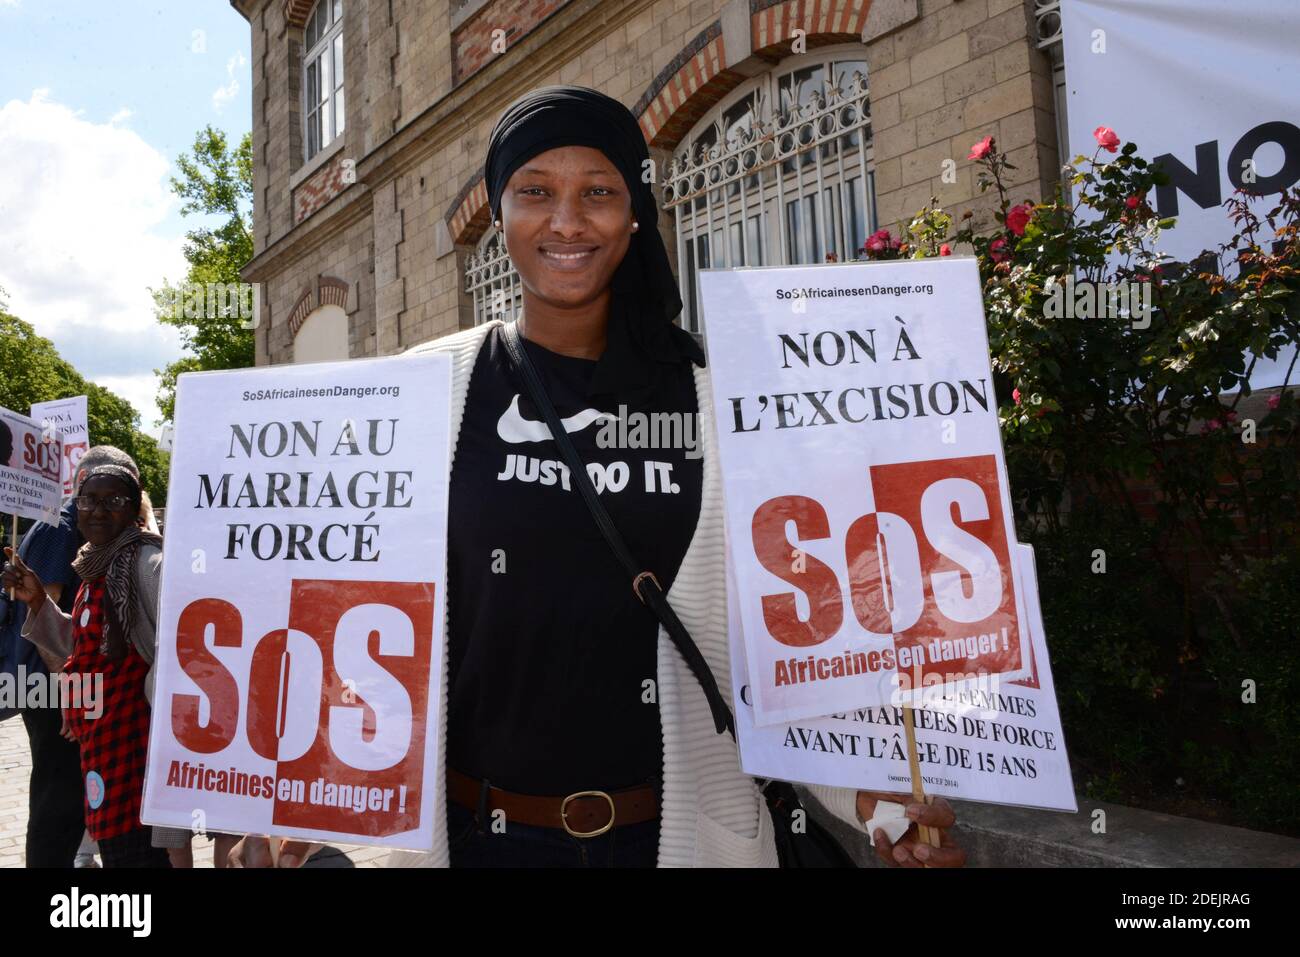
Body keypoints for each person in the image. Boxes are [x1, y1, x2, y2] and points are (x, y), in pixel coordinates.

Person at [234, 86, 964, 868]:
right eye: (535, 192)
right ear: (500, 213)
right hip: (478, 840)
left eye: (599, 192)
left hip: (676, 838)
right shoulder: (424, 388)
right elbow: (345, 609)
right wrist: (289, 799)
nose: (568, 220)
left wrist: (876, 798)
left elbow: (791, 629)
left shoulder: (719, 396)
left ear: (636, 211)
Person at [3, 461, 169, 867]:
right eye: (88, 501)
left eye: (112, 501)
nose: (97, 511)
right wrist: (39, 601)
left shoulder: (146, 564)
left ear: (134, 509)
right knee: (118, 848)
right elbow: (83, 648)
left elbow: (171, 654)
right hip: (100, 738)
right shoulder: (94, 562)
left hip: (136, 743)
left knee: (135, 851)